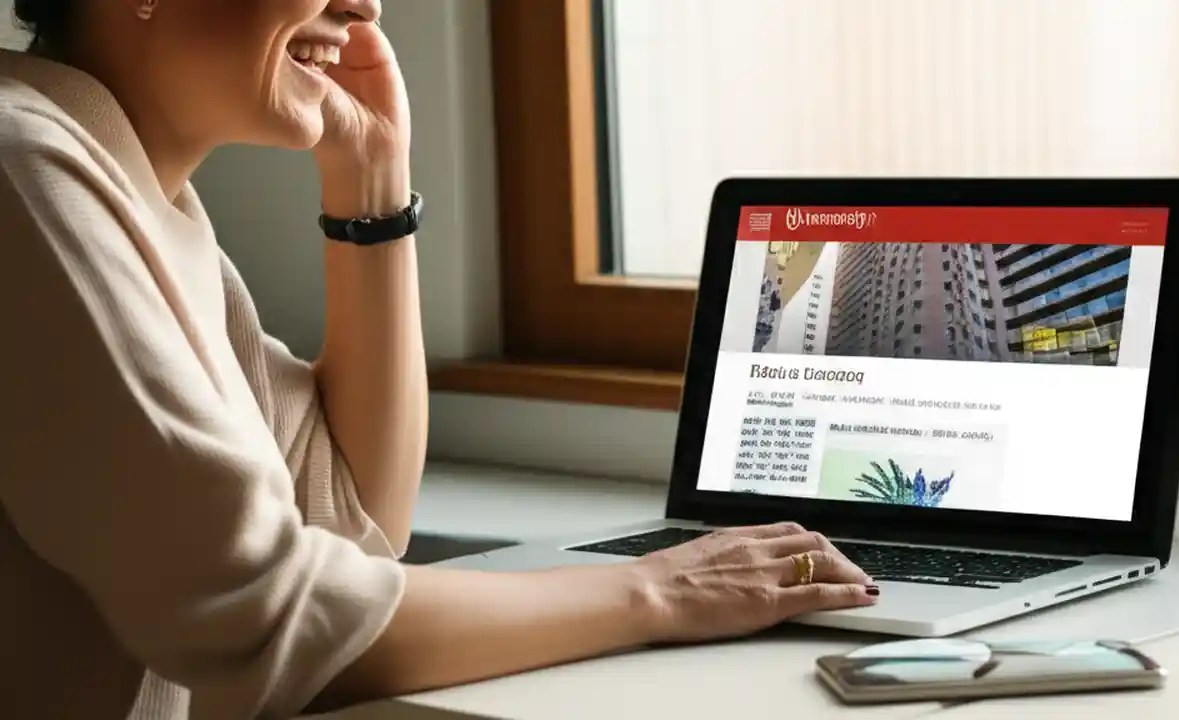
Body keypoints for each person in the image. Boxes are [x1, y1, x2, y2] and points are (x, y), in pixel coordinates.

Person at [0, 1, 878, 717]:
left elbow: (351, 521)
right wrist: (657, 595)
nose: (363, 6)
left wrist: (373, 181)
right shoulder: (25, 173)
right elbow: (271, 614)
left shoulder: (146, 206)